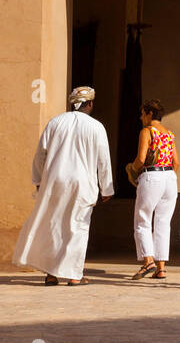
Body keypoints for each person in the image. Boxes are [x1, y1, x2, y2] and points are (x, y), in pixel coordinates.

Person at [13, 86, 114, 286]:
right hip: (82, 183)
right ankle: (75, 275)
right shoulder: (96, 127)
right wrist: (107, 188)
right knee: (78, 227)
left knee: (54, 224)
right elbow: (103, 160)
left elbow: (41, 154)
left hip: (55, 180)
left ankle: (51, 274)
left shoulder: (55, 122)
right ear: (91, 103)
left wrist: (39, 180)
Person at [128, 98, 178, 280]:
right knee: (163, 223)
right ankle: (161, 268)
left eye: (142, 114)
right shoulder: (169, 134)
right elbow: (176, 162)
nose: (141, 117)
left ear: (150, 114)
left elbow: (141, 159)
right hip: (170, 177)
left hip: (152, 176)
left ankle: (148, 260)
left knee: (142, 220)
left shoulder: (147, 131)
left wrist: (132, 169)